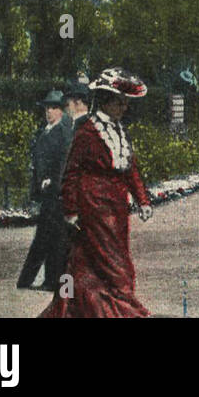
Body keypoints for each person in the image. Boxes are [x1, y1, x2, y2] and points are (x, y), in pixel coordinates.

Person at [41, 68, 152, 318]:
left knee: (98, 260)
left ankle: (89, 307)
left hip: (117, 206)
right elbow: (71, 173)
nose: (123, 108)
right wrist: (71, 210)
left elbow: (130, 169)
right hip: (93, 204)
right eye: (119, 102)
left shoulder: (119, 131)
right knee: (111, 263)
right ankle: (117, 308)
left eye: (125, 103)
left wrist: (142, 200)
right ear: (106, 101)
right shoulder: (88, 131)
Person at [16, 90, 71, 291]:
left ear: (61, 111)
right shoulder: (44, 131)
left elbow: (63, 163)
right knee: (49, 236)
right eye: (47, 108)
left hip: (56, 192)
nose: (49, 112)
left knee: (48, 237)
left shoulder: (63, 133)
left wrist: (52, 180)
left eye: (53, 108)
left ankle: (34, 280)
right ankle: (46, 281)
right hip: (46, 192)